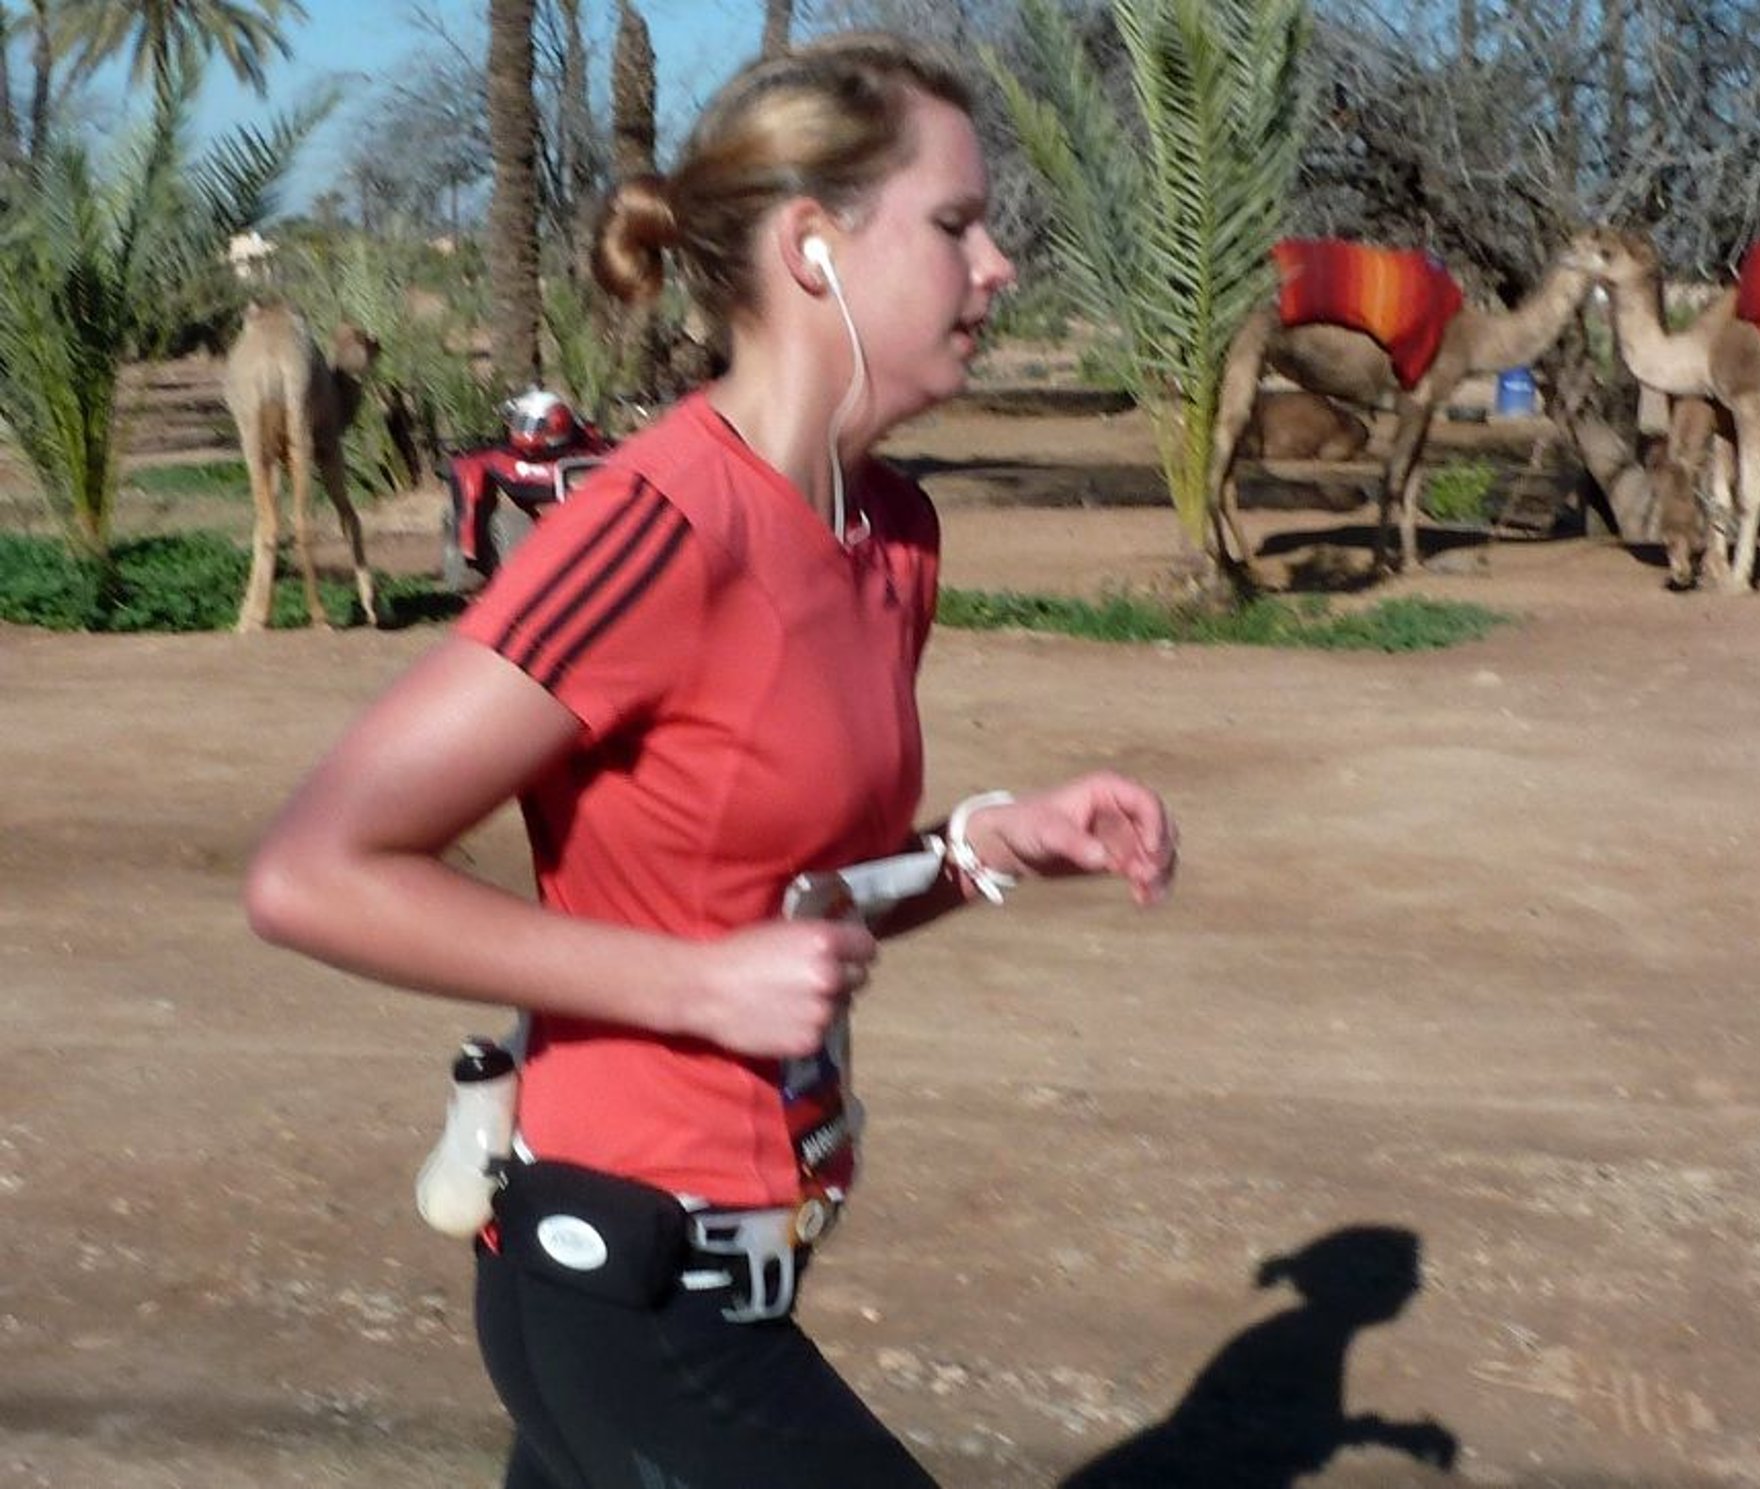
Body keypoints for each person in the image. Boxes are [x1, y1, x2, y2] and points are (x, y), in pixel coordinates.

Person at [242, 30, 1177, 1489]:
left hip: (756, 1252)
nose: (997, 265)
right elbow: (311, 871)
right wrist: (687, 984)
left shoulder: (893, 537)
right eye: (953, 225)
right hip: (624, 1285)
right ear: (814, 247)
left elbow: (793, 900)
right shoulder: (656, 529)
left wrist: (987, 847)